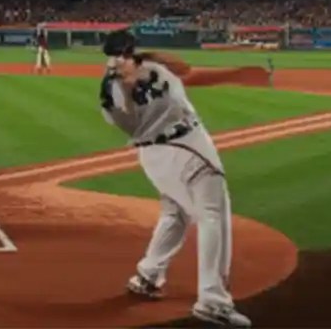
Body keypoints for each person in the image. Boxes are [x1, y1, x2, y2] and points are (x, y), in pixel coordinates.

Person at [99, 30, 250, 328]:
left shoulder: (143, 71)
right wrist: (125, 87)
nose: (120, 60)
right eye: (118, 56)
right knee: (213, 215)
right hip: (185, 146)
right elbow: (129, 120)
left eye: (122, 55)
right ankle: (213, 300)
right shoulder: (118, 86)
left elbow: (181, 71)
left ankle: (148, 274)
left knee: (176, 212)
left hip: (155, 159)